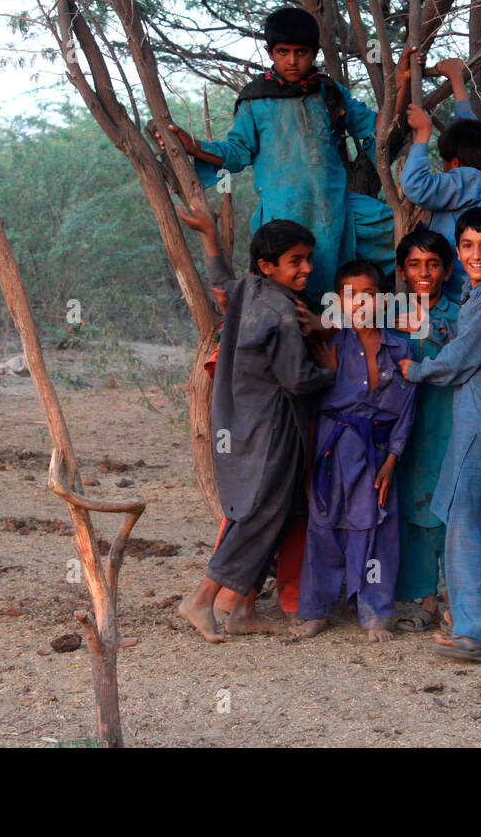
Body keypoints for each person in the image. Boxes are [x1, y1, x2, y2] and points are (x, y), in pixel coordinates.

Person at [175, 205, 336, 642]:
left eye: (308, 258)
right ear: (268, 266)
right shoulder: (284, 312)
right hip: (275, 428)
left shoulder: (248, 289)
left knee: (282, 512)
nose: (307, 269)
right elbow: (298, 380)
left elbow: (219, 285)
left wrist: (210, 237)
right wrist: (332, 367)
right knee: (260, 513)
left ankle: (242, 609)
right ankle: (202, 598)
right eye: (295, 261)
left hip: (243, 422)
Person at [157, 7, 381, 305]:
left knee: (368, 246)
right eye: (283, 51)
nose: (292, 60)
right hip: (281, 215)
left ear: (314, 52)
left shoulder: (329, 92)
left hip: (332, 209)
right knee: (281, 296)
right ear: (269, 52)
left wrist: (402, 86)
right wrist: (195, 147)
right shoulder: (256, 99)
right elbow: (237, 153)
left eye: (301, 52)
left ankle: (372, 334)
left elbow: (373, 128)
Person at [397, 207, 481, 663]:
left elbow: (460, 358)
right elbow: (466, 337)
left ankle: (472, 632)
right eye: (467, 245)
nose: (476, 254)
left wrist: (417, 369)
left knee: (465, 517)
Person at [294, 261, 416, 643]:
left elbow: (408, 409)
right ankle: (317, 609)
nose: (359, 302)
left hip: (378, 451)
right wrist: (308, 464)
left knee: (379, 527)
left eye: (368, 294)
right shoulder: (329, 345)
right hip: (333, 448)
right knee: (323, 525)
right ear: (338, 301)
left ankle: (375, 614)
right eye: (350, 295)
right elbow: (314, 407)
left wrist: (393, 460)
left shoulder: (400, 348)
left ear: (383, 299)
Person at [389, 228, 459, 632]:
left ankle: (458, 601)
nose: (424, 272)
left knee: (451, 511)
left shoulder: (460, 314)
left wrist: (431, 328)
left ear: (448, 271)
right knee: (413, 512)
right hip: (404, 432)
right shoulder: (388, 314)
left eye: (433, 264)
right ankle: (427, 601)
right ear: (401, 271)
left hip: (447, 423)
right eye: (414, 264)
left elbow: (464, 358)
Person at [399, 55, 481, 304]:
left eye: (446, 164)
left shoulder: (465, 179)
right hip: (473, 286)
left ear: (455, 164)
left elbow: (416, 186)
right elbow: (469, 126)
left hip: (455, 290)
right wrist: (456, 78)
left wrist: (423, 134)